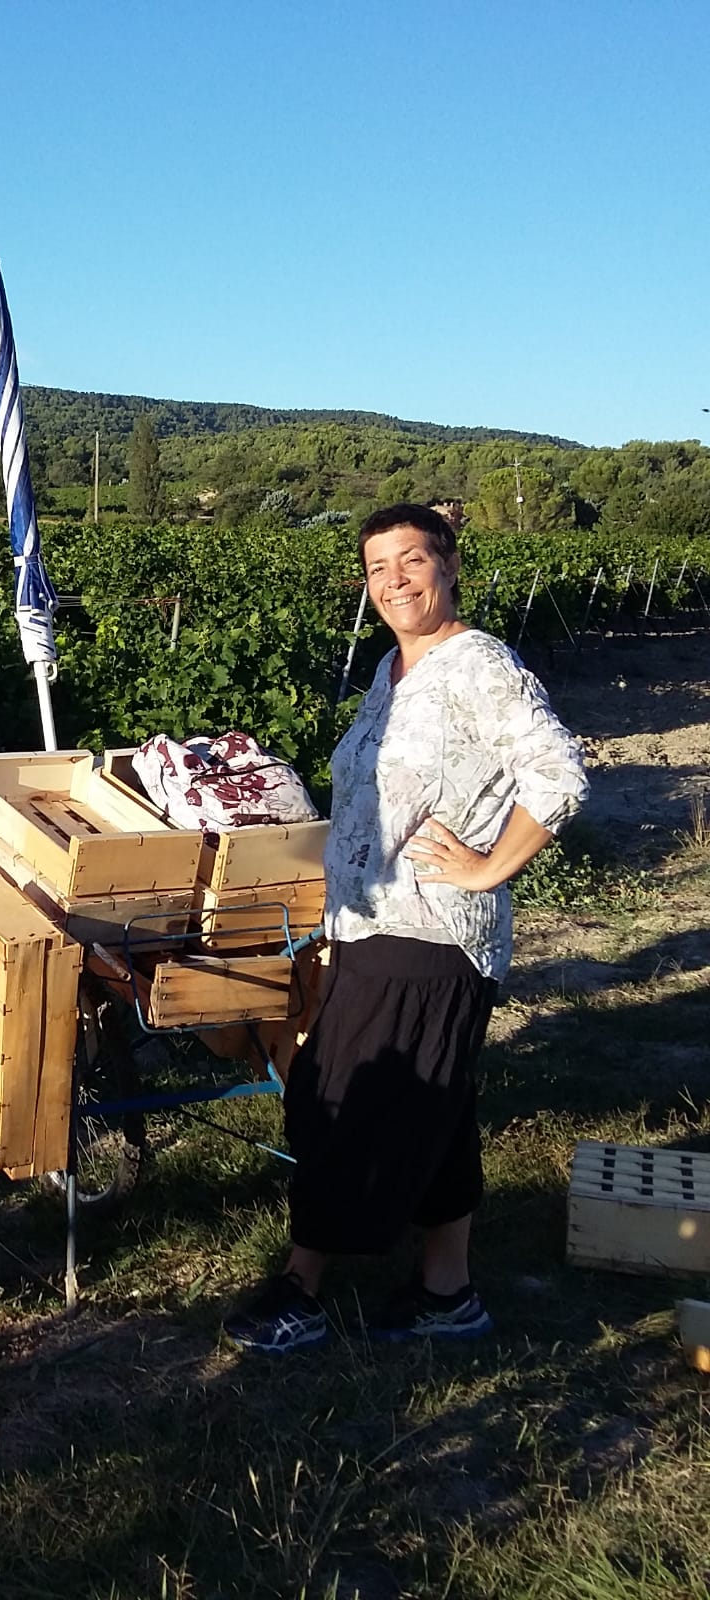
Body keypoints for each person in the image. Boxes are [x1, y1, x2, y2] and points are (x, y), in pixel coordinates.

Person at [223, 503, 588, 1353]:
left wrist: (490, 866)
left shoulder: (476, 665)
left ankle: (300, 1287)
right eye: (378, 567)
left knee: (335, 1099)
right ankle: (447, 1291)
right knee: (437, 1105)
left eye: (412, 560)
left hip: (428, 933)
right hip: (368, 926)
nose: (394, 579)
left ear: (449, 565)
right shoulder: (393, 669)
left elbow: (560, 773)